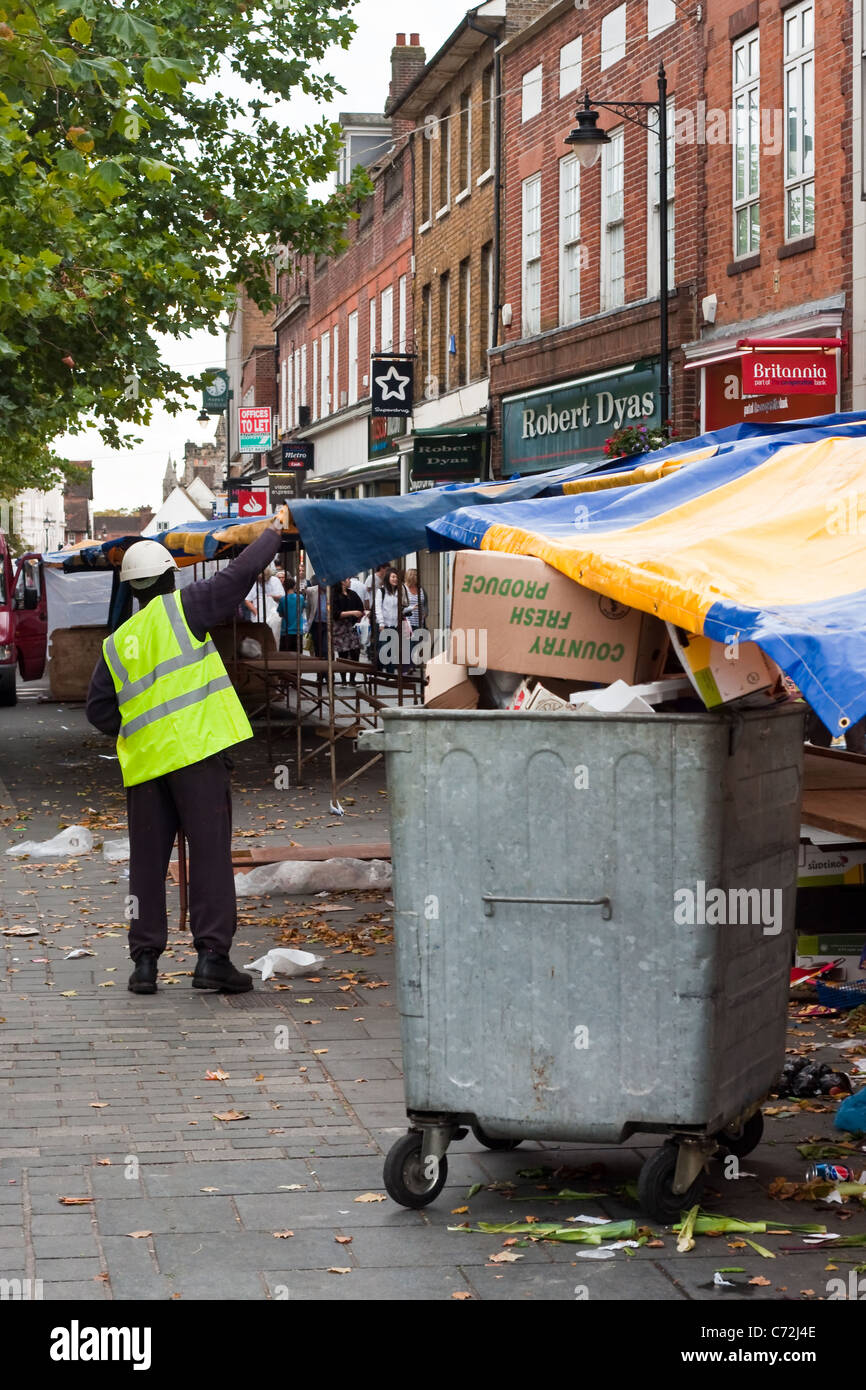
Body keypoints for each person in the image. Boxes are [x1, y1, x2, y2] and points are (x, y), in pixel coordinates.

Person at [85, 509, 290, 997]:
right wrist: (274, 534)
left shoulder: (116, 644)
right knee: (210, 856)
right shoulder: (186, 608)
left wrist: (141, 727)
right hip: (197, 757)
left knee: (146, 862)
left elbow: (98, 710)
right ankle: (212, 958)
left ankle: (144, 964)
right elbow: (239, 576)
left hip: (146, 767)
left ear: (131, 588)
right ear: (169, 578)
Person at [375, 567, 411, 676]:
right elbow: (378, 608)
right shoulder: (381, 591)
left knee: (392, 650)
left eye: (397, 577)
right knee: (383, 650)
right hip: (383, 625)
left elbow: (400, 609)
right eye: (393, 577)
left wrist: (411, 608)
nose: (395, 579)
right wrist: (381, 623)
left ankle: (390, 674)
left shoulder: (399, 592)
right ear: (388, 577)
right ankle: (378, 671)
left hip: (395, 625)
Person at [331, 579, 364, 679]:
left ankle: (352, 679)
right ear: (342, 581)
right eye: (348, 579)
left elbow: (360, 607)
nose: (350, 581)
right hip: (340, 628)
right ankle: (343, 679)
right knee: (343, 653)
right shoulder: (334, 595)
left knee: (355, 652)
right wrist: (352, 612)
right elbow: (335, 613)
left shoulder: (352, 594)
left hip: (351, 626)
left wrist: (358, 615)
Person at [277, 576, 305, 653]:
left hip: (286, 632)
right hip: (298, 631)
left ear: (284, 586)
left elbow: (280, 613)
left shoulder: (283, 599)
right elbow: (302, 609)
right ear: (294, 586)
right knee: (298, 656)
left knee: (286, 658)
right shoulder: (301, 598)